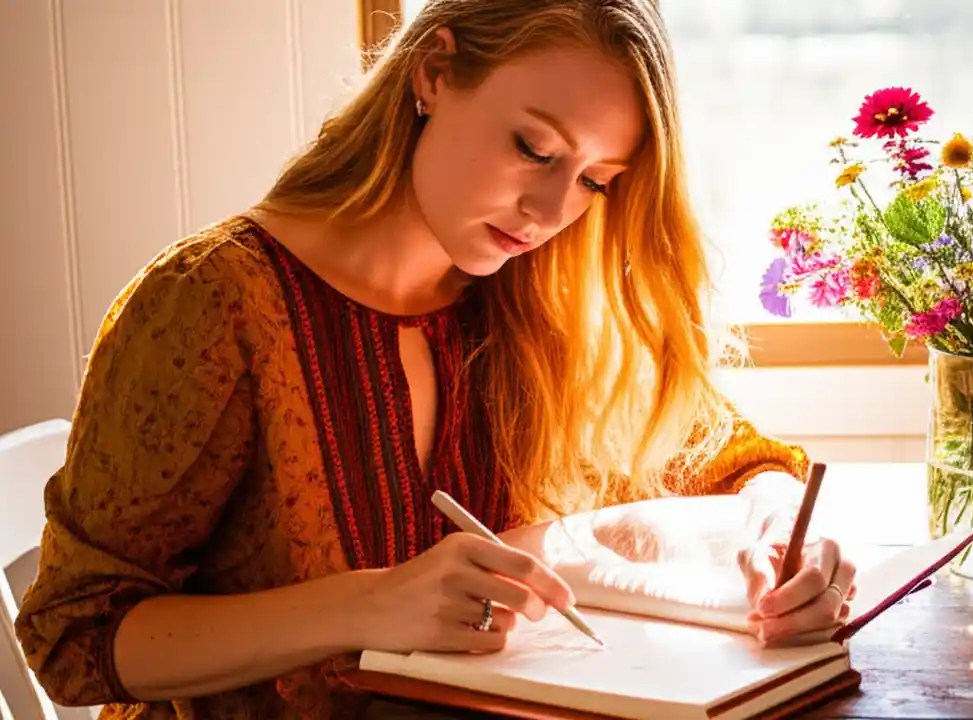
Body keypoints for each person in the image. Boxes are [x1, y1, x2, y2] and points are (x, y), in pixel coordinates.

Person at [15, 1, 856, 717]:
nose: (552, 210)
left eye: (597, 179)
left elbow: (733, 456)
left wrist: (783, 526)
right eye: (535, 148)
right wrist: (371, 603)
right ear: (433, 73)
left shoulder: (538, 296)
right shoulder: (208, 305)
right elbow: (75, 637)